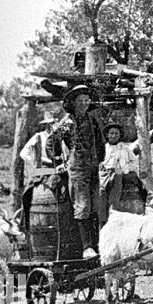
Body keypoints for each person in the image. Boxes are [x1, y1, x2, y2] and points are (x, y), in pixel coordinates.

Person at [50, 85, 106, 259]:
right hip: (77, 169)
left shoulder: (92, 120)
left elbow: (100, 144)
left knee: (96, 206)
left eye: (86, 101)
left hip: (93, 168)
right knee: (82, 206)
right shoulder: (66, 123)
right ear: (73, 103)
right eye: (80, 101)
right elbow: (52, 143)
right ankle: (87, 247)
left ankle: (99, 245)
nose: (83, 104)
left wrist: (101, 161)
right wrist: (59, 161)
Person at [19, 110, 65, 223]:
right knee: (28, 191)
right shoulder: (38, 137)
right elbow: (23, 153)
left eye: (53, 123)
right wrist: (37, 161)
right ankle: (24, 220)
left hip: (58, 167)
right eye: (49, 124)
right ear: (45, 125)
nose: (51, 126)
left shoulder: (60, 137)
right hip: (43, 168)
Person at [99, 123, 146, 217]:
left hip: (120, 172)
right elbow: (99, 161)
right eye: (111, 133)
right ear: (107, 135)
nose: (114, 136)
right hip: (106, 173)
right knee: (102, 193)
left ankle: (113, 209)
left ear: (120, 135)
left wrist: (126, 168)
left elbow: (134, 161)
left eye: (116, 133)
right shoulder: (103, 148)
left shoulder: (125, 148)